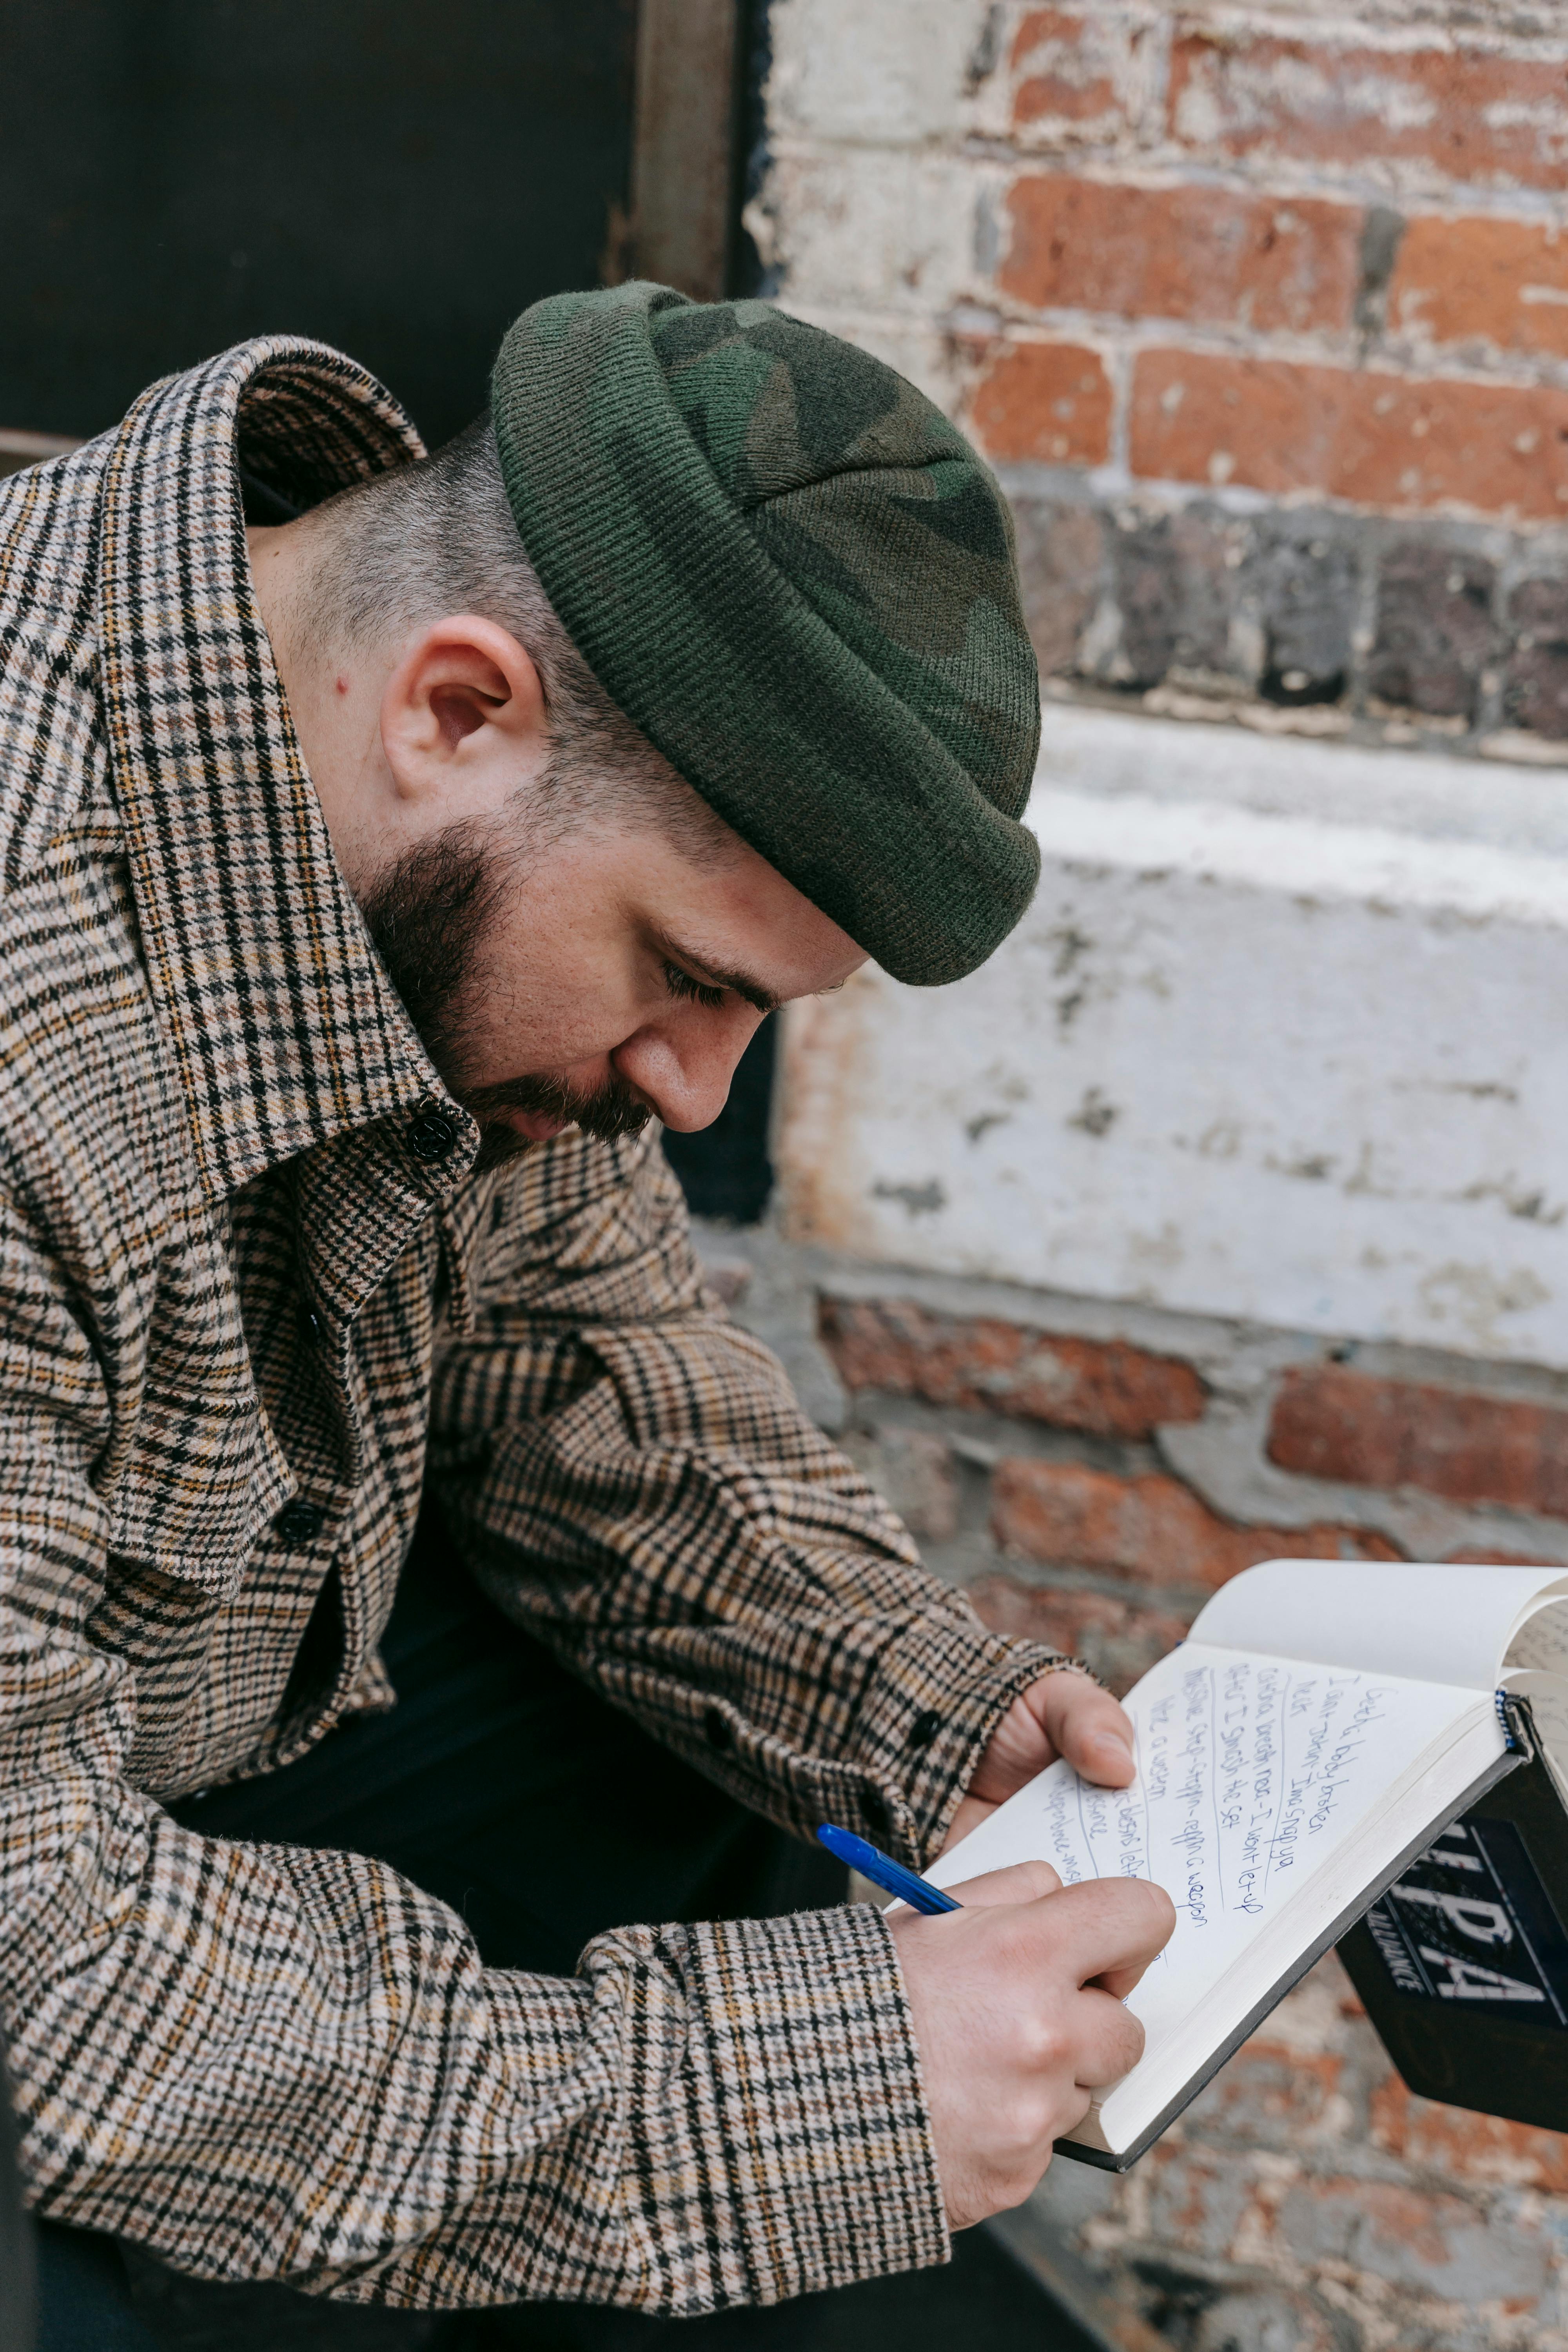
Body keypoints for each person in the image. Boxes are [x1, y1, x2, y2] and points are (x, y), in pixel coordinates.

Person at [0, 282, 1174, 2337]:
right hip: (46, 1885)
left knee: (754, 1837)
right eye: (688, 974)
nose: (695, 1092)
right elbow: (48, 1974)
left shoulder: (359, 765)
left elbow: (572, 1348)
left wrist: (918, 1708)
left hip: (161, 1705)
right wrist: (797, 2100)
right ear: (460, 710)